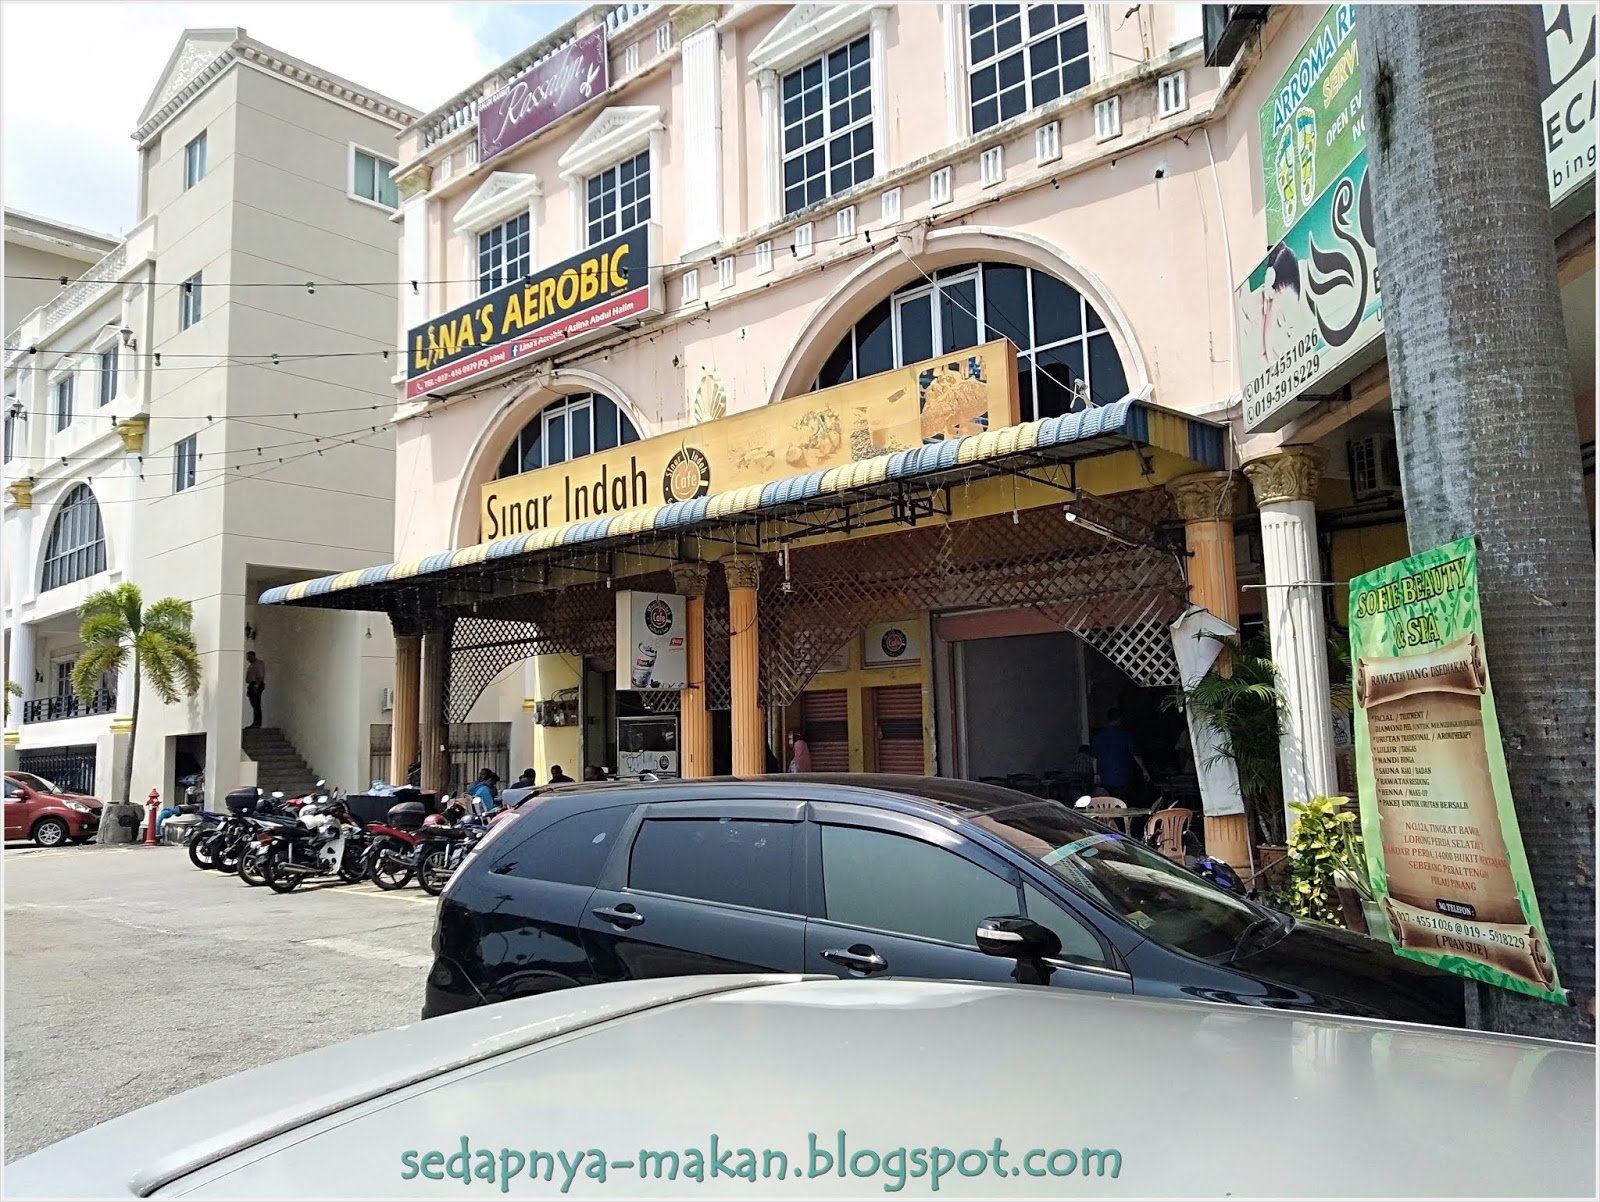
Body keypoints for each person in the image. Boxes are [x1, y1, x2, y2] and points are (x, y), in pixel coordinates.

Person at [1090, 708, 1149, 801]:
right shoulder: (1125, 736)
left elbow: (1094, 758)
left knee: (1108, 804)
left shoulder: (1098, 737)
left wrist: (1096, 774)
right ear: (1119, 719)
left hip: (1105, 778)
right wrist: (1144, 770)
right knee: (1124, 803)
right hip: (1123, 777)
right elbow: (1135, 754)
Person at [244, 651, 266, 729]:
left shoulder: (258, 664)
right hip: (251, 684)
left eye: (249, 657)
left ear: (253, 656)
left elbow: (260, 675)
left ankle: (257, 723)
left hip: (256, 684)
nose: (248, 659)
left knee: (256, 704)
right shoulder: (251, 665)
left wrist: (256, 685)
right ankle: (255, 721)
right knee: (254, 704)